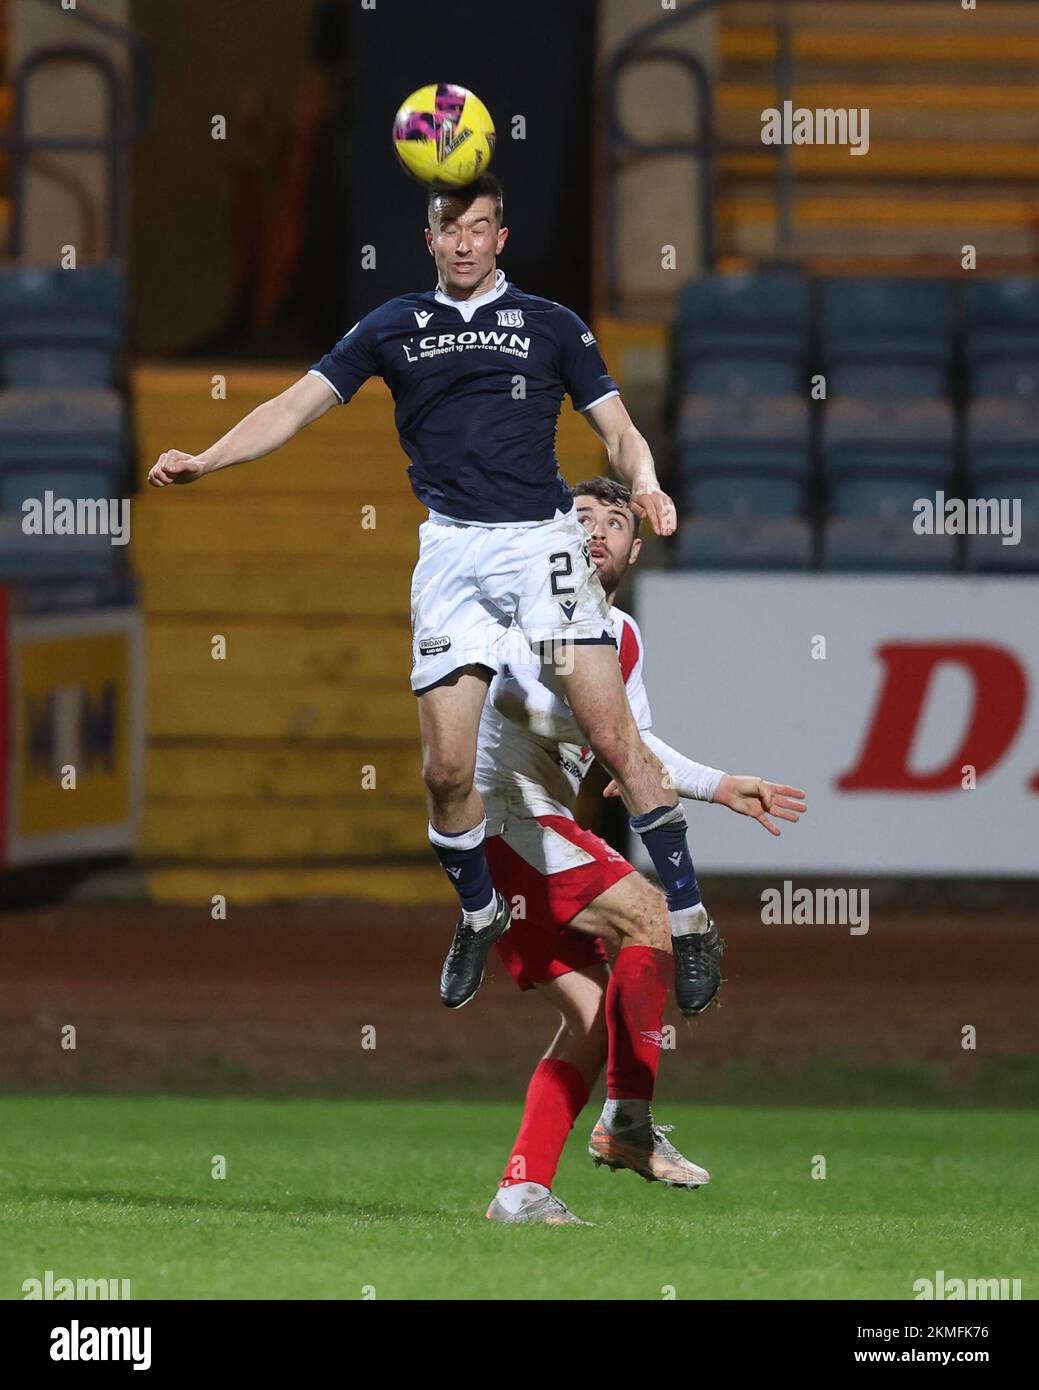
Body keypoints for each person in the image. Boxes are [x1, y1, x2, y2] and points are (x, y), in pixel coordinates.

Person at [147, 172, 717, 1016]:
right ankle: (479, 913)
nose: (462, 241)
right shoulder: (392, 327)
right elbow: (294, 406)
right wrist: (206, 457)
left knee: (612, 735)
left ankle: (692, 916)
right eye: (449, 227)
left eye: (478, 226)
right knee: (446, 772)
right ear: (429, 238)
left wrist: (649, 484)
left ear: (500, 237)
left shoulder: (551, 325)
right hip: (451, 552)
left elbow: (619, 430)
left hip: (539, 544)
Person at [478, 478, 806, 1225]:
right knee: (651, 917)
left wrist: (718, 783)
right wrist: (597, 729)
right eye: (579, 518)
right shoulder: (520, 604)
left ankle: (520, 1189)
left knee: (595, 1019)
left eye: (614, 521)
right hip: (504, 815)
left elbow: (636, 743)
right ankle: (627, 1123)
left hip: (535, 828)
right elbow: (505, 697)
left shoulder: (620, 634)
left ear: (634, 546)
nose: (594, 530)